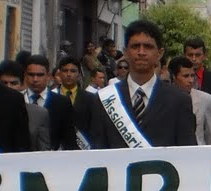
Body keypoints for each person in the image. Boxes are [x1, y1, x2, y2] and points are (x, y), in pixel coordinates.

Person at [76, 19, 196, 149]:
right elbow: (96, 152)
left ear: (159, 53)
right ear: (125, 52)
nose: (141, 52)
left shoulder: (179, 100)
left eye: (148, 47)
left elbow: (187, 155)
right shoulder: (103, 99)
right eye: (135, 46)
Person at [169, 55, 211, 145]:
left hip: (199, 153)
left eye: (192, 76)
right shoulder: (163, 99)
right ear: (174, 77)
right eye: (186, 76)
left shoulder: (205, 99)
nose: (191, 80)